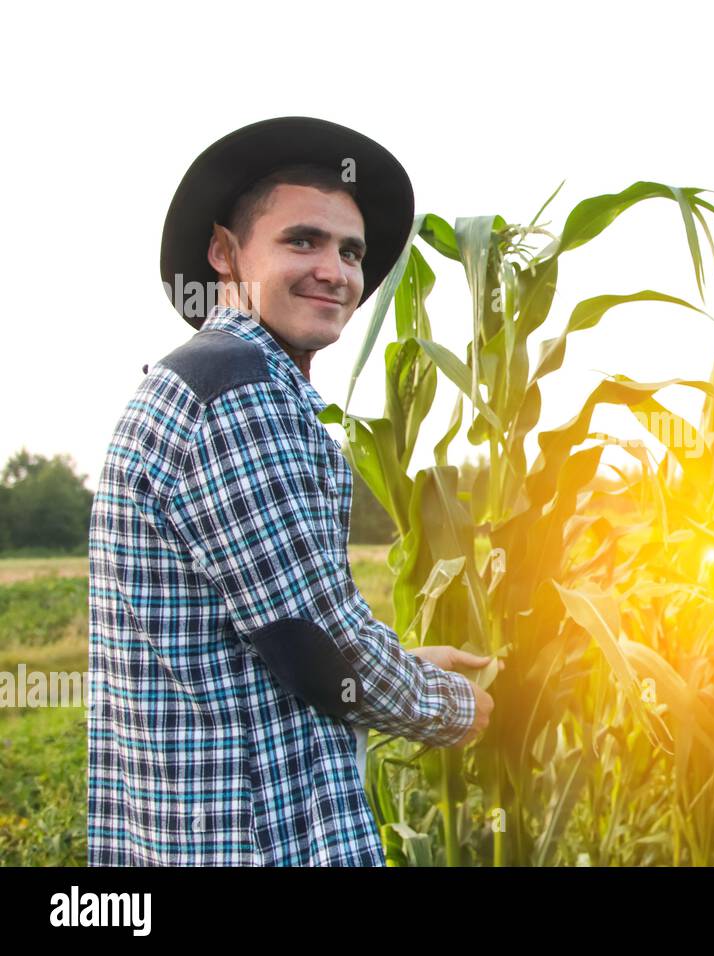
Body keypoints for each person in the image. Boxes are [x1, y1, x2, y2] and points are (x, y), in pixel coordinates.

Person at [88, 116, 494, 866]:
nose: (335, 270)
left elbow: (263, 636)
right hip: (257, 839)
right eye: (301, 241)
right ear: (223, 252)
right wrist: (456, 709)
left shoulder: (206, 380)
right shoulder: (237, 392)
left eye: (351, 251)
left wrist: (402, 661)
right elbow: (315, 648)